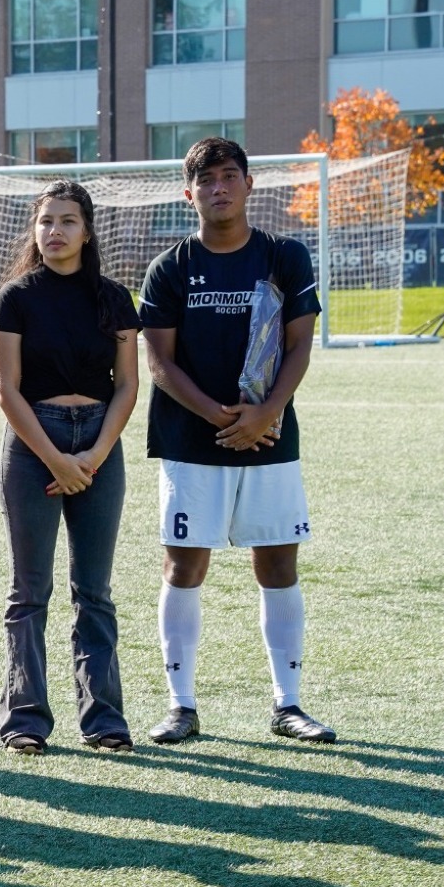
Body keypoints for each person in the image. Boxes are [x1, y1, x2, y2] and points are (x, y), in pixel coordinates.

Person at [139, 136, 333, 745]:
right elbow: (159, 364)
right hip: (192, 441)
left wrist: (266, 412)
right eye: (206, 180)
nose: (218, 188)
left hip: (271, 435)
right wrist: (225, 418)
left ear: (249, 184)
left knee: (277, 560)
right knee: (185, 564)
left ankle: (289, 704)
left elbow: (300, 345)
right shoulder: (169, 267)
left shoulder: (285, 257)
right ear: (188, 192)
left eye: (229, 176)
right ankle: (181, 706)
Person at [0, 180, 141, 755]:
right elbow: (6, 391)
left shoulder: (114, 299)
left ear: (88, 230)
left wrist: (94, 457)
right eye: (46, 220)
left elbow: (127, 386)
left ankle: (104, 720)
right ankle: (24, 719)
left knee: (94, 591)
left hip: (98, 441)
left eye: (68, 221)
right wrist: (56, 459)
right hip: (34, 446)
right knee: (29, 591)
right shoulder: (16, 298)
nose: (55, 231)